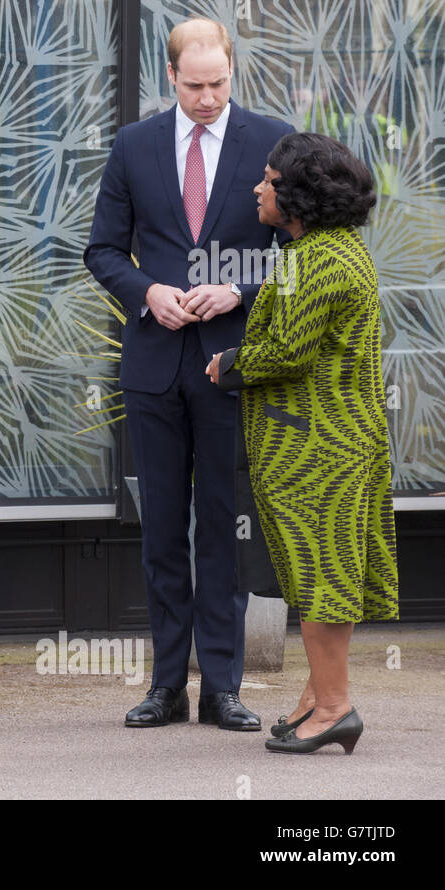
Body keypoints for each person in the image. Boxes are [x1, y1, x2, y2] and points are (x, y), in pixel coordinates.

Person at [83, 18, 293, 730]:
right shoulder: (134, 145)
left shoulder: (273, 141)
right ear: (170, 77)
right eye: (195, 86)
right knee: (162, 531)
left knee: (225, 529)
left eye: (220, 84)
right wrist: (147, 290)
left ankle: (223, 688)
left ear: (233, 72)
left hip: (234, 365)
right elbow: (102, 250)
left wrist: (239, 291)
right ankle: (166, 684)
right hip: (153, 364)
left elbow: (301, 255)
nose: (208, 99)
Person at [207, 132, 398, 754]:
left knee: (324, 577)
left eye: (270, 179)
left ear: (300, 195)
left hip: (325, 450)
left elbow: (287, 351)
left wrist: (228, 364)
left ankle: (336, 706)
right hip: (316, 448)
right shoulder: (318, 252)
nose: (259, 188)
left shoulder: (320, 262)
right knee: (315, 574)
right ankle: (319, 697)